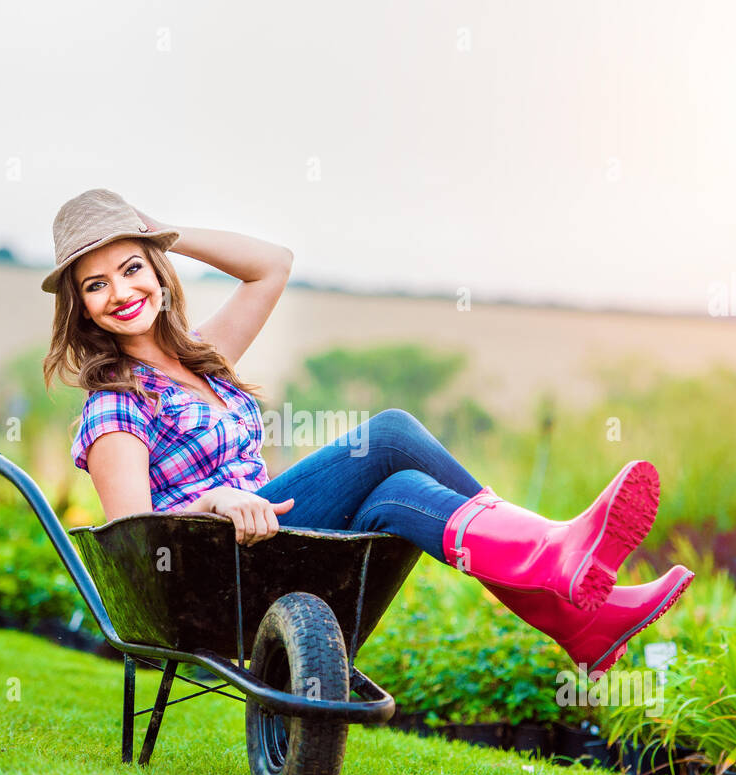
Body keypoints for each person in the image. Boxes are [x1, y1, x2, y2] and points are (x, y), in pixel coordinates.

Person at [41, 189, 692, 675]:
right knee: (389, 436)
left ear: (157, 271)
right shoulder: (114, 407)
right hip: (213, 580)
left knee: (398, 490)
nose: (119, 291)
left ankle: (571, 611)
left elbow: (273, 263)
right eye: (96, 284)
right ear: (82, 308)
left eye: (132, 267)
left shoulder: (205, 357)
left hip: (268, 546)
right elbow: (133, 541)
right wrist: (213, 502)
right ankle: (553, 560)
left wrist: (161, 233)